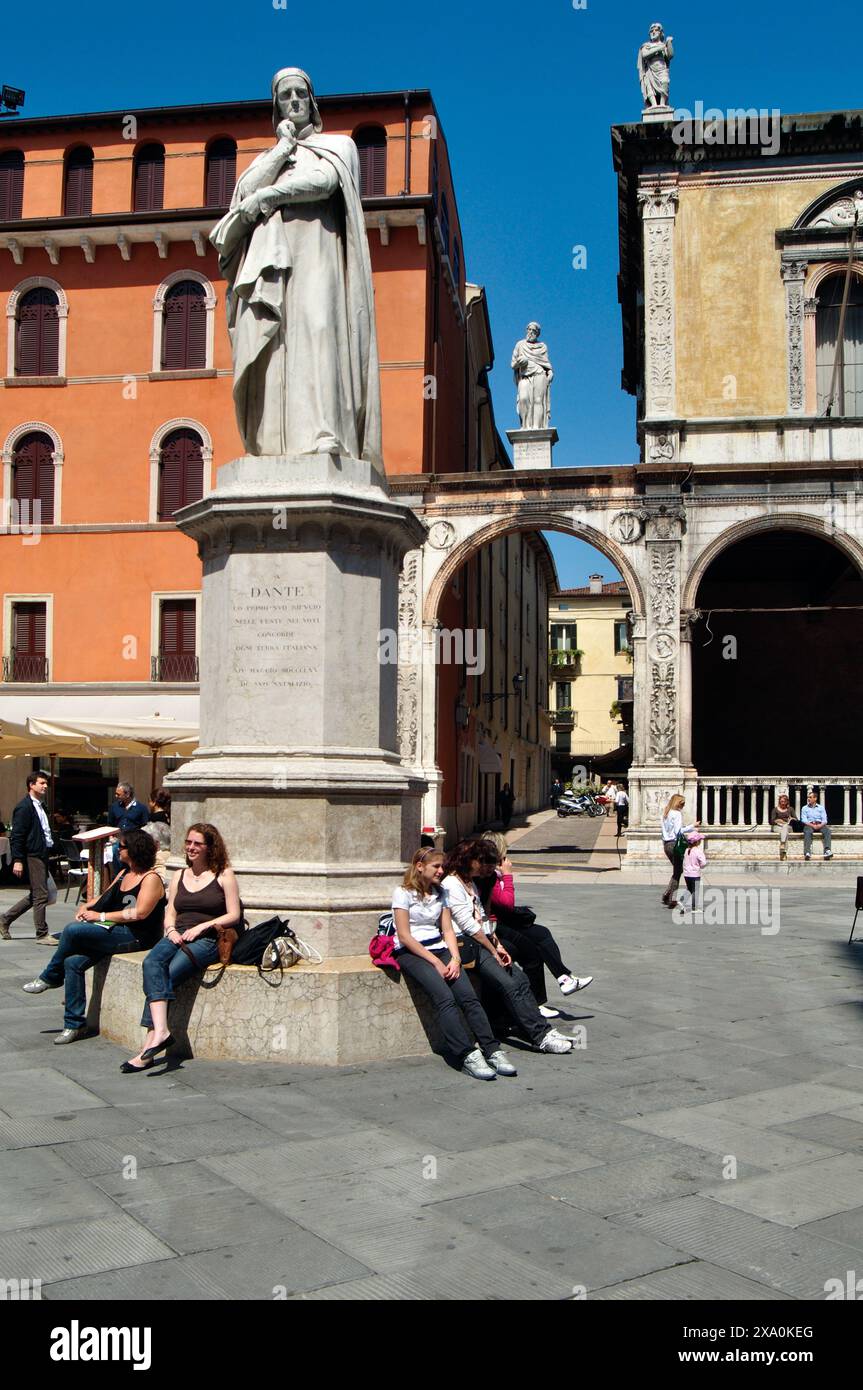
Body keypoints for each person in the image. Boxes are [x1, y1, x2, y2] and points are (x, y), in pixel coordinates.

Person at [210, 66, 381, 465]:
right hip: (274, 265)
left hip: (318, 258)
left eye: (300, 93)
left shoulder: (339, 147)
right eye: (285, 96)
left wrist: (271, 196)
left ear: (312, 100)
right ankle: (275, 441)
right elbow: (245, 194)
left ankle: (327, 433)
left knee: (320, 330)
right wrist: (281, 152)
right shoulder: (268, 159)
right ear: (276, 108)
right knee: (277, 343)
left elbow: (323, 182)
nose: (294, 101)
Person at [21, 829, 166, 1045]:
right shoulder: (124, 873)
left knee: (71, 931)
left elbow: (140, 912)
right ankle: (73, 1024)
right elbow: (106, 896)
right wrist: (87, 905)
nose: (117, 849)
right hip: (114, 931)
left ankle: (50, 977)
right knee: (72, 962)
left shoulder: (150, 878)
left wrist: (100, 915)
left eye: (122, 846)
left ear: (135, 850)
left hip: (137, 936)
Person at [123, 823, 241, 1073]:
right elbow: (171, 913)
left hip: (207, 939)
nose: (191, 848)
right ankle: (162, 1032)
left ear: (210, 847)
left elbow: (233, 915)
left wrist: (202, 927)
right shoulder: (179, 875)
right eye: (188, 842)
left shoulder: (224, 875)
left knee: (166, 975)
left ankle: (148, 1049)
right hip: (177, 935)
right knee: (151, 964)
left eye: (198, 843)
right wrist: (171, 930)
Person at [393, 848, 517, 1081]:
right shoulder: (403, 893)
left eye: (442, 866)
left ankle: (492, 1049)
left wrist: (455, 959)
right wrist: (435, 963)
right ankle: (467, 1054)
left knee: (469, 998)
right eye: (436, 867)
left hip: (440, 948)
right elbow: (405, 936)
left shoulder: (441, 893)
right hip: (412, 952)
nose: (441, 871)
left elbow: (448, 929)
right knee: (445, 999)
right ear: (420, 866)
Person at [441, 839, 572, 1053]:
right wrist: (494, 951)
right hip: (465, 944)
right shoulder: (451, 884)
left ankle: (543, 1029)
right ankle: (540, 1037)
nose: (485, 869)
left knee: (520, 979)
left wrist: (498, 945)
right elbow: (468, 925)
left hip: (480, 941)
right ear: (471, 860)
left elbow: (482, 919)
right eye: (482, 864)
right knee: (509, 983)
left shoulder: (469, 882)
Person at [477, 833, 591, 1020]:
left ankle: (562, 980)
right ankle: (555, 986)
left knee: (540, 934)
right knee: (533, 946)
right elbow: (506, 903)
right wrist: (507, 876)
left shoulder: (493, 874)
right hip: (497, 924)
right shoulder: (490, 876)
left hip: (502, 922)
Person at [1, 771, 57, 943]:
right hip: (33, 855)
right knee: (41, 894)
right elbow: (17, 835)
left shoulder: (40, 806)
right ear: (31, 785)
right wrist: (18, 860)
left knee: (38, 894)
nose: (45, 786)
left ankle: (5, 919)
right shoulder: (24, 807)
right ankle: (42, 933)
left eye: (46, 783)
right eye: (41, 783)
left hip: (43, 853)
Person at [660, 794, 696, 909]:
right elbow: (678, 831)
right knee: (677, 871)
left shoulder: (666, 812)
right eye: (682, 803)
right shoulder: (676, 814)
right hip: (675, 844)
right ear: (678, 803)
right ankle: (670, 896)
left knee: (677, 870)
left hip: (666, 845)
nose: (683, 806)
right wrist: (692, 826)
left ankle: (667, 894)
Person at [108, 783, 150, 872]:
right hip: (118, 840)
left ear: (127, 794)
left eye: (118, 794)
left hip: (134, 841)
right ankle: (118, 876)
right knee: (115, 849)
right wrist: (111, 837)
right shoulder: (114, 807)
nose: (116, 796)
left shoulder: (141, 808)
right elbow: (110, 824)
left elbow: (146, 826)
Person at [800, 791, 833, 861]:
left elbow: (825, 820)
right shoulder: (804, 808)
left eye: (810, 797)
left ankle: (827, 851)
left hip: (820, 824)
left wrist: (819, 825)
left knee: (827, 831)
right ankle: (807, 852)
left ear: (815, 798)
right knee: (807, 832)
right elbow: (804, 820)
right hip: (809, 824)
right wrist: (812, 825)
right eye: (808, 797)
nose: (808, 799)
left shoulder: (821, 808)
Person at [682, 831, 707, 911]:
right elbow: (703, 863)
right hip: (695, 874)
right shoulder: (698, 851)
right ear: (697, 842)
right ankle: (694, 907)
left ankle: (682, 902)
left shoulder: (686, 850)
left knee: (689, 889)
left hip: (686, 874)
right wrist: (701, 865)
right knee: (696, 891)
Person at [770, 793, 794, 861]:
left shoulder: (790, 809)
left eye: (784, 801)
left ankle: (782, 843)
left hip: (788, 826)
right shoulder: (775, 809)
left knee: (785, 827)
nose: (782, 803)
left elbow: (796, 819)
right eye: (781, 802)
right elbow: (772, 821)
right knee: (785, 832)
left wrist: (791, 818)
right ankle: (784, 853)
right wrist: (778, 821)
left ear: (787, 802)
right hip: (777, 826)